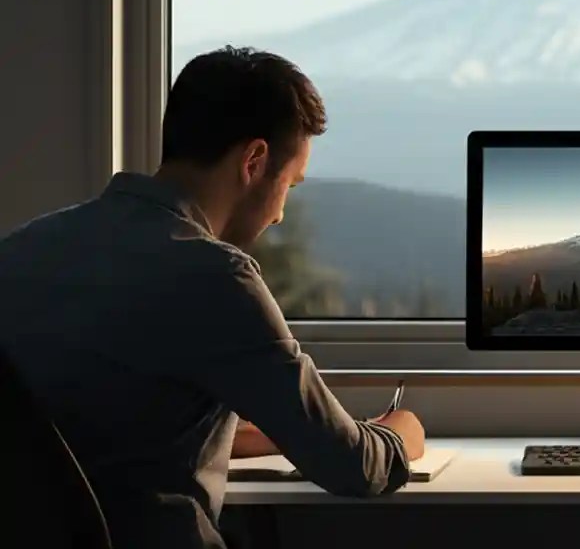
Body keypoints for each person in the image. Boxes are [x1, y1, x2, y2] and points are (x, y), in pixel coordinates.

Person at [0, 46, 425, 549]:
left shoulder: (21, 249)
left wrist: (265, 432)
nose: (280, 214)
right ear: (254, 160)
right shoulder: (213, 275)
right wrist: (400, 433)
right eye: (289, 185)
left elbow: (98, 429)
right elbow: (351, 466)